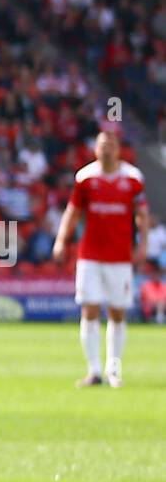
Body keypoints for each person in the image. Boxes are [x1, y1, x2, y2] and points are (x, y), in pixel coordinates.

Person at [52, 129, 148, 387]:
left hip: (119, 257)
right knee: (90, 309)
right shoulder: (85, 178)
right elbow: (73, 212)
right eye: (101, 144)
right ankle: (93, 371)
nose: (105, 149)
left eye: (110, 144)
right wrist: (61, 240)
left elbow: (141, 216)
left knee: (117, 313)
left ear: (118, 149)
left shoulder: (133, 179)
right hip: (90, 256)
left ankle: (113, 369)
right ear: (95, 149)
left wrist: (142, 246)